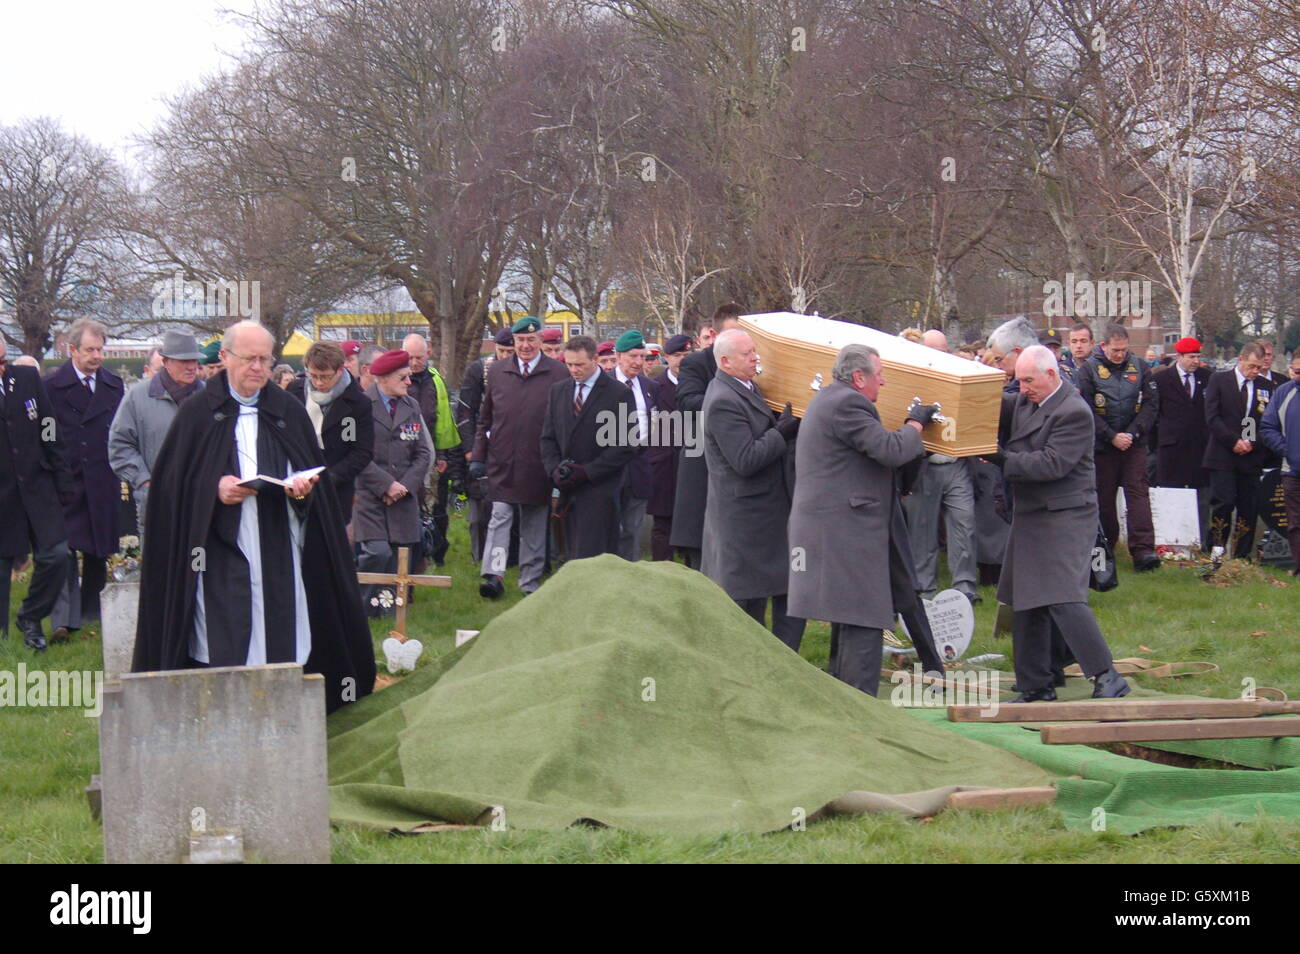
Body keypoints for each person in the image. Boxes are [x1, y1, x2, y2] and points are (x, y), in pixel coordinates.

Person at [131, 321, 375, 713]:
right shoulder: (197, 414)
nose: (258, 368)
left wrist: (302, 492)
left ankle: (282, 709)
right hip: (220, 550)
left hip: (279, 544)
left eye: (265, 359)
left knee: (283, 634)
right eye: (249, 359)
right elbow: (171, 487)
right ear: (225, 358)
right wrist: (214, 488)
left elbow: (315, 481)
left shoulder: (286, 411)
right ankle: (228, 712)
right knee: (227, 636)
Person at [787, 344, 943, 694]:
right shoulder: (847, 403)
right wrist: (915, 424)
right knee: (863, 619)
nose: (884, 382)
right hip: (845, 530)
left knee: (852, 618)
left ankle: (847, 706)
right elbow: (891, 450)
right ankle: (861, 712)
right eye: (880, 374)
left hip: (838, 527)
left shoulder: (831, 398)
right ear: (859, 377)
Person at [995, 345, 1128, 702]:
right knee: (1026, 601)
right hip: (1034, 515)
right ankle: (1035, 683)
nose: (1021, 389)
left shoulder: (1074, 411)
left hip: (1065, 516)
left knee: (1062, 598)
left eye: (1027, 380)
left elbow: (1051, 464)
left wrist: (999, 458)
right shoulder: (1026, 400)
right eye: (1018, 380)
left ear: (1051, 374)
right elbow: (992, 405)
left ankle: (1107, 675)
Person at [700, 328, 804, 650]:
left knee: (783, 591)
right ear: (727, 361)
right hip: (745, 520)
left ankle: (782, 662)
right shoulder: (722, 400)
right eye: (748, 354)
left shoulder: (745, 388)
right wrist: (781, 432)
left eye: (754, 351)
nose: (756, 357)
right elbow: (744, 459)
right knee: (748, 605)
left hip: (762, 516)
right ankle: (754, 667)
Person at [470, 316, 568, 598]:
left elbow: (562, 422)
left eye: (530, 339)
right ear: (513, 342)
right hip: (502, 461)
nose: (525, 345)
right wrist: (479, 455)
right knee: (499, 517)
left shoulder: (557, 373)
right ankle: (494, 575)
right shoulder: (499, 371)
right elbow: (484, 418)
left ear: (539, 340)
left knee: (534, 523)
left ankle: (529, 581)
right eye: (520, 340)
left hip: (539, 462)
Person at [44, 319, 125, 638]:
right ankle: (63, 618)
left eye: (100, 349)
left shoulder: (113, 385)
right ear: (72, 350)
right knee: (63, 548)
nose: (97, 356)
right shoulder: (51, 387)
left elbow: (119, 429)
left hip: (101, 477)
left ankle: (94, 610)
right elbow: (46, 432)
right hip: (65, 478)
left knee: (97, 547)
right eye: (90, 350)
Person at [0, 339, 73, 650]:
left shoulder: (26, 380)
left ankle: (31, 616)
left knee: (57, 556)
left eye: (3, 357)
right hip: (3, 497)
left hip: (38, 486)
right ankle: (4, 640)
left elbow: (47, 425)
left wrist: (62, 477)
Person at [1073, 324, 1161, 572]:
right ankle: (1105, 548)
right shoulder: (1089, 369)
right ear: (1103, 346)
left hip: (1134, 442)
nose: (1120, 355)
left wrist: (1132, 433)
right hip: (1103, 445)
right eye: (1115, 350)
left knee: (1138, 495)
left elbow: (1151, 405)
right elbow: (1085, 408)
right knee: (1103, 498)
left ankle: (1143, 551)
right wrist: (1110, 436)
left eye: (1124, 350)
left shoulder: (1141, 367)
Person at [540, 336, 636, 558]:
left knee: (594, 556)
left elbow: (626, 445)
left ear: (595, 360)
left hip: (600, 489)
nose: (574, 370)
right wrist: (555, 470)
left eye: (580, 365)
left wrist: (588, 472)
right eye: (569, 364)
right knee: (568, 556)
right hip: (565, 488)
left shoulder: (618, 393)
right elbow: (548, 437)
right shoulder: (558, 390)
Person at [904, 328, 979, 603]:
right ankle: (924, 591)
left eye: (945, 350)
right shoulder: (910, 378)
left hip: (956, 464)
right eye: (936, 350)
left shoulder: (960, 376)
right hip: (924, 465)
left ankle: (965, 591)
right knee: (922, 530)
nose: (942, 355)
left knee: (965, 523)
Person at [108, 331, 205, 544]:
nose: (192, 366)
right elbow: (120, 445)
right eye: (184, 361)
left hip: (203, 505)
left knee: (201, 569)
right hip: (157, 506)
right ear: (166, 362)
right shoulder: (137, 397)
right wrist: (144, 482)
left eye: (195, 360)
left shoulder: (209, 397)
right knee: (160, 572)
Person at [353, 349, 430, 616]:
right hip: (370, 496)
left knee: (399, 558)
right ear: (383, 378)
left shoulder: (412, 406)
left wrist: (405, 486)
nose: (410, 382)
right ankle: (358, 609)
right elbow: (351, 454)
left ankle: (384, 613)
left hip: (402, 498)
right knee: (376, 553)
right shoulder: (356, 407)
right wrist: (386, 484)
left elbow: (423, 453)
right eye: (403, 377)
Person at [670, 304, 744, 568]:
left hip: (740, 466)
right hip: (702, 467)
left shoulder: (752, 363)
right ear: (713, 334)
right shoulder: (696, 363)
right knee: (701, 558)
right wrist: (732, 402)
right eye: (733, 334)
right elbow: (688, 403)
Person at [286, 340, 374, 525]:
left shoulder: (358, 403)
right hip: (294, 486)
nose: (318, 382)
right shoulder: (294, 392)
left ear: (340, 370)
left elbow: (361, 452)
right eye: (313, 375)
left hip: (335, 490)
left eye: (325, 376)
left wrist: (329, 478)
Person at [1203, 341, 1276, 560]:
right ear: (1241, 359)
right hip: (1223, 454)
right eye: (1252, 366)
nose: (1255, 371)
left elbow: (1268, 422)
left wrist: (1252, 443)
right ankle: (1215, 551)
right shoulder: (1219, 380)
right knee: (1223, 503)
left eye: (1259, 368)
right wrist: (1233, 441)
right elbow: (1212, 417)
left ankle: (1241, 557)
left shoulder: (1266, 386)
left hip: (1251, 456)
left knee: (1248, 507)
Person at [1150, 336, 1213, 547]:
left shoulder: (1208, 377)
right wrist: (1156, 444)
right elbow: (1153, 414)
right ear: (1179, 356)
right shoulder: (1162, 380)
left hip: (1200, 448)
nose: (1196, 361)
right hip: (1171, 449)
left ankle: (1201, 543)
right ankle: (1169, 543)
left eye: (1198, 356)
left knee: (1201, 499)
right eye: (1191, 357)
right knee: (1170, 496)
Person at [456, 329, 512, 562]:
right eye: (502, 351)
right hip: (481, 446)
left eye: (511, 352)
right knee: (480, 510)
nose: (506, 356)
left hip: (510, 447)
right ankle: (480, 556)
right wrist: (470, 450)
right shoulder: (478, 371)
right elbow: (465, 412)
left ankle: (508, 557)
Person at [402, 333, 457, 565]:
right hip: (408, 454)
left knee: (438, 506)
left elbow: (443, 419)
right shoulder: (399, 379)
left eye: (419, 357)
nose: (414, 363)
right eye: (410, 357)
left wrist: (443, 454)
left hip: (435, 452)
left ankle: (439, 550)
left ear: (429, 353)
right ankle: (418, 553)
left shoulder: (436, 379)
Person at [609, 330, 659, 561]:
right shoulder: (602, 383)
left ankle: (629, 573)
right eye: (632, 356)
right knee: (609, 527)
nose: (639, 362)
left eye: (642, 356)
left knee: (633, 528)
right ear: (618, 356)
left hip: (640, 463)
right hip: (609, 464)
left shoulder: (649, 386)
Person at [647, 334, 692, 561]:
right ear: (666, 358)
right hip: (663, 465)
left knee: (692, 525)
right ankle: (660, 573)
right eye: (677, 356)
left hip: (693, 463)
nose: (682, 361)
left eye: (686, 355)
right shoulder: (654, 387)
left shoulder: (701, 384)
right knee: (663, 525)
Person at [1261, 353, 1300, 573]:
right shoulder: (1284, 392)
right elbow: (1266, 426)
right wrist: (1288, 450)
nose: (1296, 376)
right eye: (1295, 371)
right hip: (1292, 470)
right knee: (1295, 523)